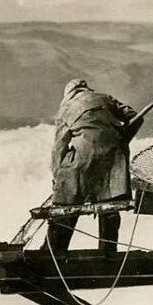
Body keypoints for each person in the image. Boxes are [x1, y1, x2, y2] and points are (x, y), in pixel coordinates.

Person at [46, 78, 143, 256]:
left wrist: (57, 177)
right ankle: (108, 253)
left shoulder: (65, 109)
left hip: (82, 162)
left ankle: (53, 254)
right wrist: (121, 140)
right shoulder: (106, 99)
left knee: (65, 207)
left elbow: (59, 147)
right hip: (113, 160)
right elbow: (136, 117)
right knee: (110, 207)